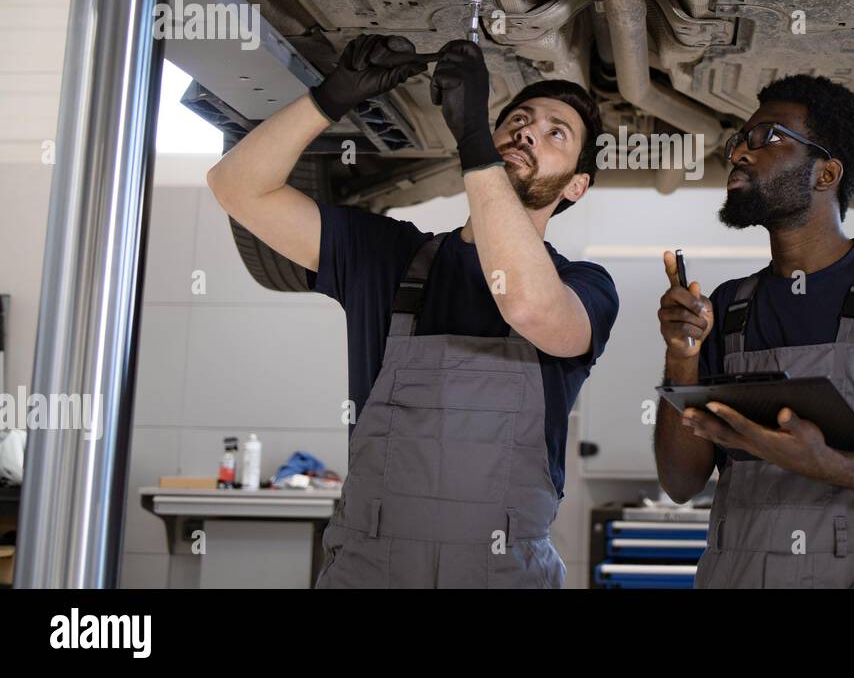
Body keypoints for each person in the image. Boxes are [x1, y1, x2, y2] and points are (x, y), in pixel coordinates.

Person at [207, 34, 618, 587]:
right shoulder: (389, 256)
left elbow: (526, 304)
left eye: (554, 134)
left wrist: (475, 139)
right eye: (518, 119)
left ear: (576, 186)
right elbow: (236, 187)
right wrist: (331, 97)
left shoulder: (583, 287)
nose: (527, 132)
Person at [653, 74, 854, 588]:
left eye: (767, 137)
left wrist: (827, 464)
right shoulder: (728, 306)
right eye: (739, 140)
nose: (740, 152)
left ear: (826, 173)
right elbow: (680, 483)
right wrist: (682, 357)